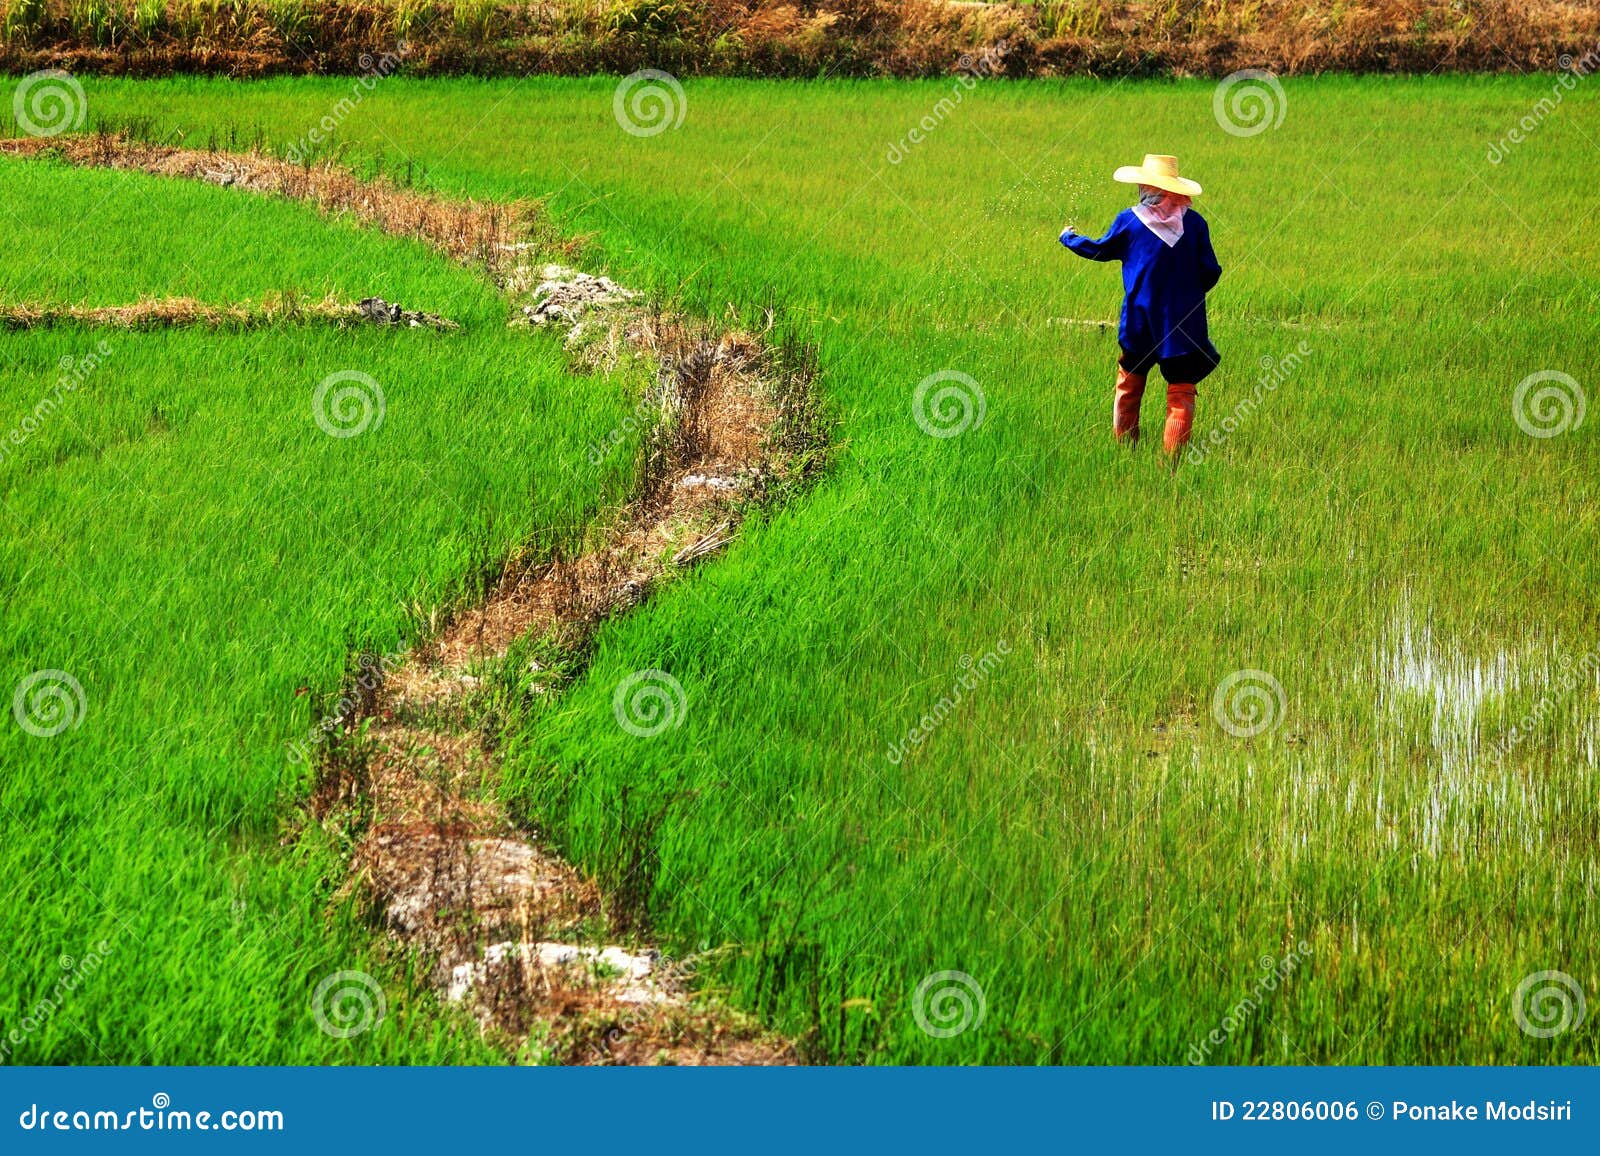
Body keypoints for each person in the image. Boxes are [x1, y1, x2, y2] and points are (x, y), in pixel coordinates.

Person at [1060, 154, 1221, 456]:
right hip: (1184, 324)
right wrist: (1188, 296)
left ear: (1147, 187)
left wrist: (1069, 238)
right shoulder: (1196, 224)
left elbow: (1099, 250)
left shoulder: (1129, 221)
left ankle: (1125, 448)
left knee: (1130, 381)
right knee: (1181, 390)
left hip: (1139, 321)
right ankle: (1172, 464)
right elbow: (1211, 271)